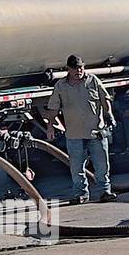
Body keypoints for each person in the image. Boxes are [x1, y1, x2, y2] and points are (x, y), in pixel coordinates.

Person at [43, 54, 117, 204]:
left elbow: (105, 99)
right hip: (74, 135)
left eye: (81, 67)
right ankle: (81, 194)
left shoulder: (93, 81)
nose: (79, 71)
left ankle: (105, 192)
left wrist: (108, 114)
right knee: (76, 168)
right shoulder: (61, 86)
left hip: (96, 132)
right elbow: (53, 109)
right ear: (68, 69)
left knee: (102, 165)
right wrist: (50, 125)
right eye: (75, 68)